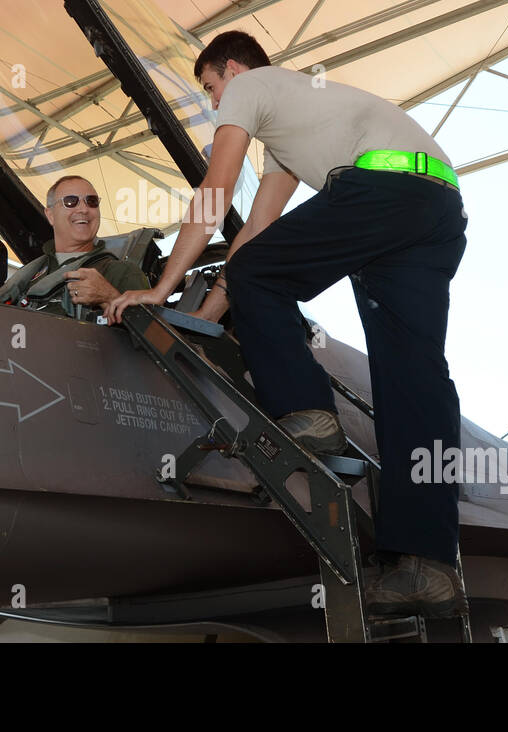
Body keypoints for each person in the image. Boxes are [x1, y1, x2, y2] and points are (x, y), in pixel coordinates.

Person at [105, 31, 468, 619]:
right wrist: (199, 320)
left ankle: (307, 411)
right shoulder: (292, 138)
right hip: (436, 205)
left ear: (230, 68)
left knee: (260, 274)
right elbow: (254, 236)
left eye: (209, 88)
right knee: (414, 382)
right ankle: (428, 565)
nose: (214, 103)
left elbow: (215, 193)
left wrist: (160, 288)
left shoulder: (251, 85)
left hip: (381, 185)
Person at [0, 175, 148, 314]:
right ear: (51, 215)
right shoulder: (29, 276)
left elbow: (158, 341)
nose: (83, 209)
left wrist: (110, 298)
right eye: (70, 202)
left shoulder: (121, 272)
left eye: (91, 201)